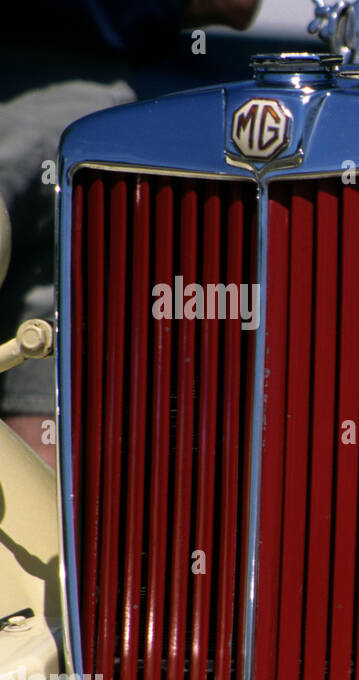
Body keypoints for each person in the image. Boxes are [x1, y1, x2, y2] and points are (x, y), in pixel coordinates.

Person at [0, 0, 261, 467]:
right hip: (87, 113)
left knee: (42, 425)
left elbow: (238, 6)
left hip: (79, 114)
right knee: (43, 437)